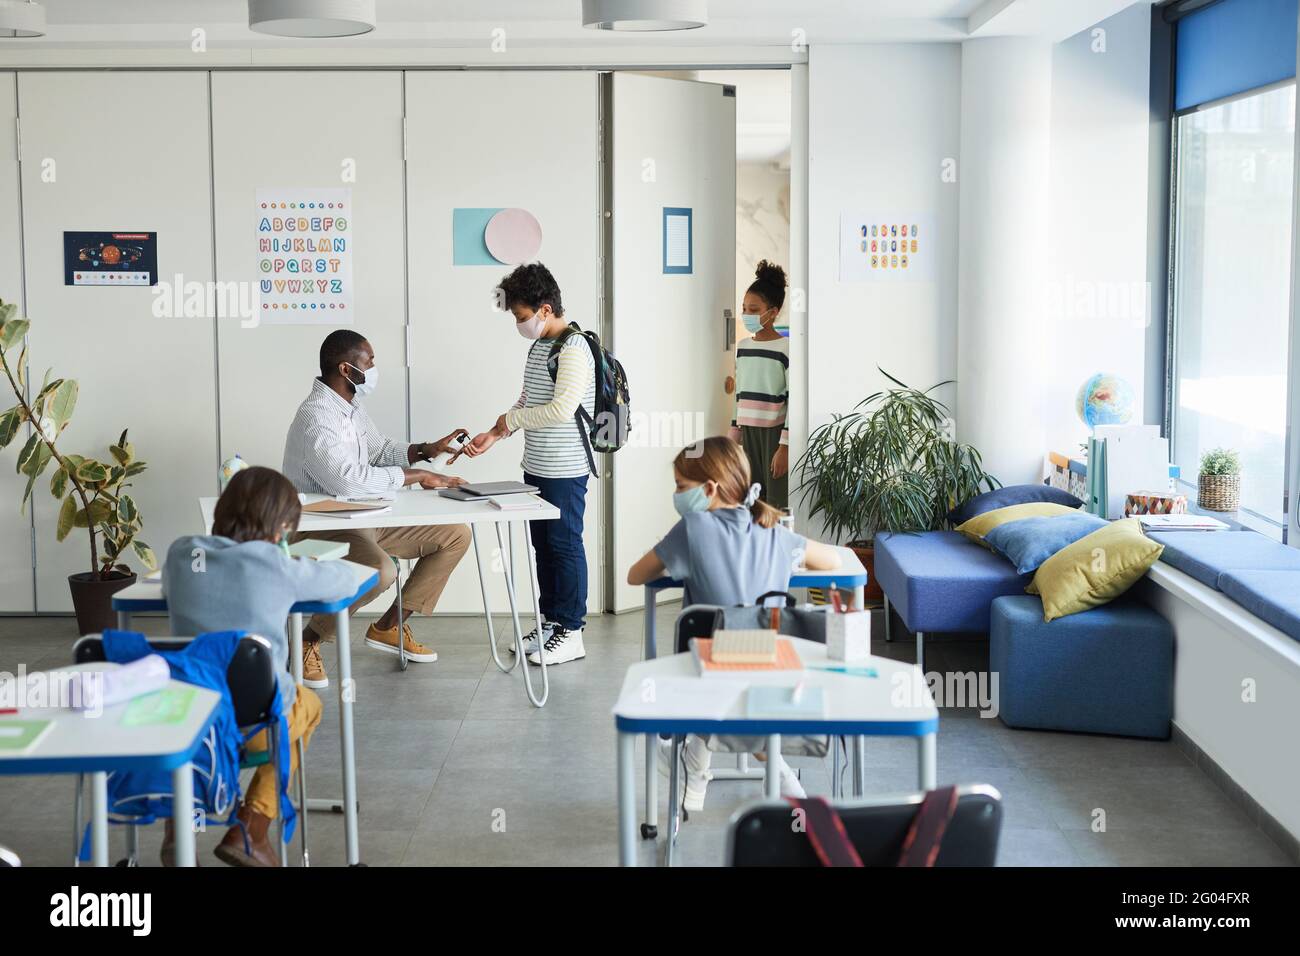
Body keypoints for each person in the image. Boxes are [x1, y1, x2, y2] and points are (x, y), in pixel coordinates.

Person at [627, 436, 841, 811]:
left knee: (705, 665)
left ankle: (695, 762)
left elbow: (635, 575)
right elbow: (833, 563)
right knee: (740, 683)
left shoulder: (692, 529)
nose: (676, 495)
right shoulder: (775, 530)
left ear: (710, 489)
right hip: (775, 675)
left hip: (705, 679)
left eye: (681, 487)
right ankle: (779, 780)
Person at [161, 466, 358, 867]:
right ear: (282, 526)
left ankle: (177, 834)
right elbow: (343, 580)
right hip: (254, 730)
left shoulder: (182, 555)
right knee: (307, 705)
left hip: (184, 726)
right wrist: (285, 552)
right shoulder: (276, 565)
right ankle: (252, 827)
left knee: (190, 718)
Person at [282, 329, 472, 687]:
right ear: (346, 369)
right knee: (381, 570)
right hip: (321, 526)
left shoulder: (351, 408)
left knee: (455, 535)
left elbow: (381, 450)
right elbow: (347, 480)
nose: (374, 367)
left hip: (366, 517)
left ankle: (389, 627)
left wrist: (427, 450)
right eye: (369, 361)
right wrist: (415, 476)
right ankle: (308, 639)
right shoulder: (316, 417)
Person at [456, 263, 595, 666]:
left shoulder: (574, 348)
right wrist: (495, 433)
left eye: (521, 317)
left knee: (565, 544)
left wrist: (510, 422)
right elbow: (528, 401)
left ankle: (572, 631)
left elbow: (562, 408)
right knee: (544, 546)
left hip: (566, 468)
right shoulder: (540, 347)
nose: (519, 324)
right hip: (536, 465)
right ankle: (552, 622)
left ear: (545, 308)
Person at [725, 260, 790, 510]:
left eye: (753, 309)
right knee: (752, 502)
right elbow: (738, 398)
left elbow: (791, 401)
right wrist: (733, 437)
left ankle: (779, 549)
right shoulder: (743, 347)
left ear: (772, 312)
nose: (746, 314)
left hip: (774, 437)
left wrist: (783, 447)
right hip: (748, 434)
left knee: (776, 506)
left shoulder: (785, 349)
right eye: (744, 308)